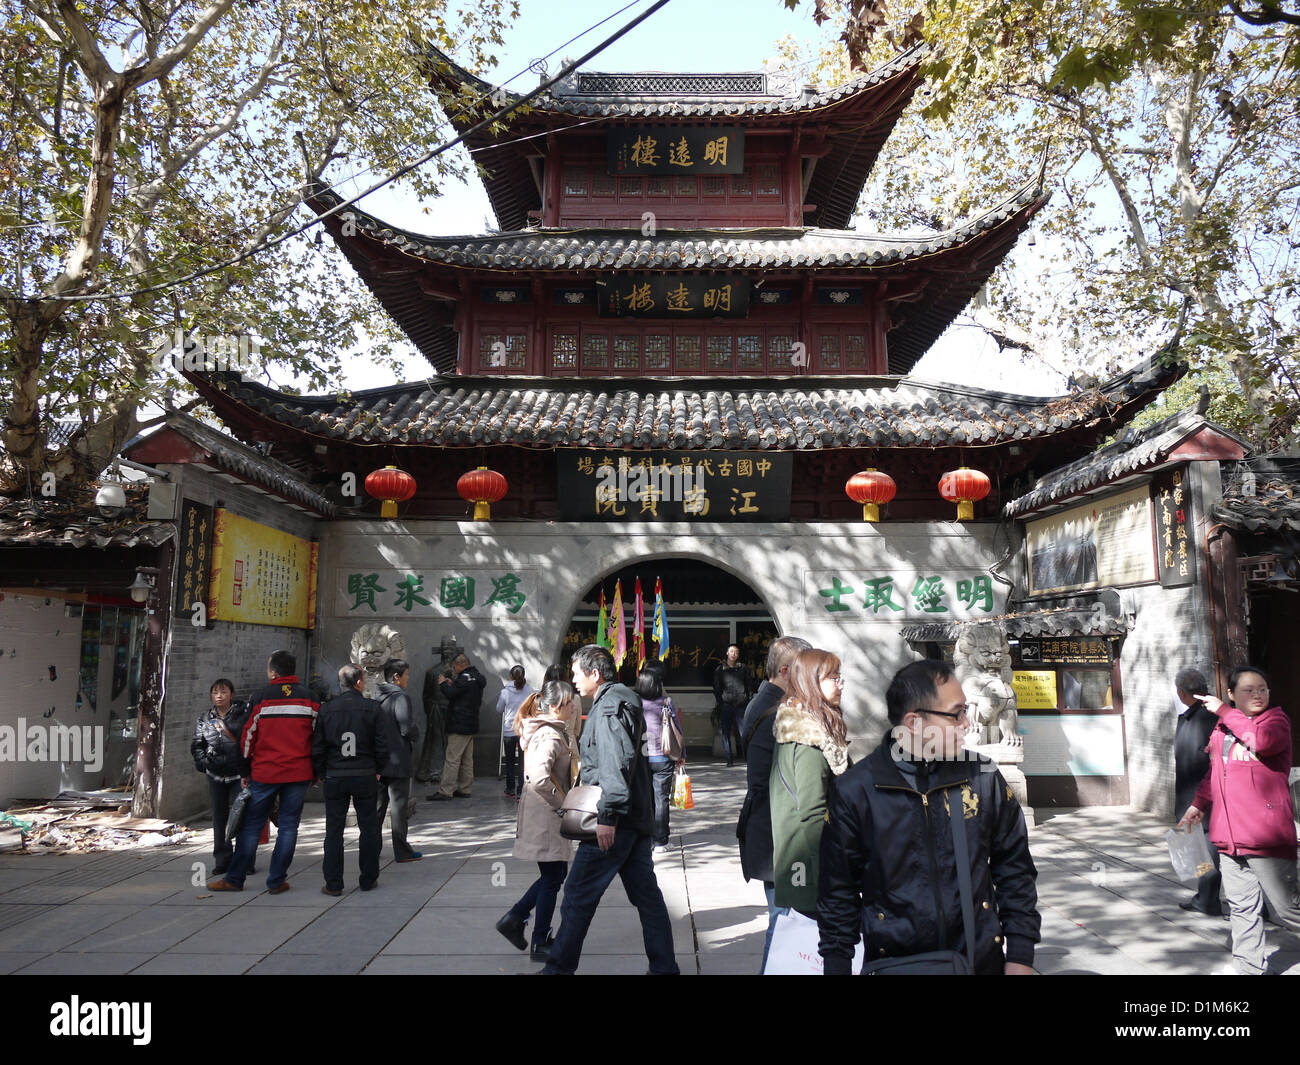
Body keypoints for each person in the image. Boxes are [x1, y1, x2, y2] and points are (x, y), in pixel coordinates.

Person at [818, 659, 1040, 975]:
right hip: (894, 965)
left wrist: (1020, 955)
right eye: (957, 713)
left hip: (979, 963)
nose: (968, 723)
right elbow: (837, 894)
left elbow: (1014, 868)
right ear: (914, 722)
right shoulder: (856, 790)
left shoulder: (982, 777)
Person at [541, 644, 679, 975]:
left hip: (615, 822)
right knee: (647, 898)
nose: (572, 679)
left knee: (576, 897)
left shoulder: (609, 707)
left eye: (576, 672)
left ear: (595, 673)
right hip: (633, 821)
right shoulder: (621, 699)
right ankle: (664, 968)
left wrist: (608, 817)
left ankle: (557, 970)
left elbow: (616, 764)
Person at [1181, 666, 1300, 975]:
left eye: (1262, 688)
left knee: (1289, 909)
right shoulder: (1222, 729)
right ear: (1233, 694)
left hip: (1265, 836)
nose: (1257, 694)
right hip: (1229, 837)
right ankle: (1249, 969)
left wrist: (1223, 710)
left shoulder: (1276, 722)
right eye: (1248, 690)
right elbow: (1214, 770)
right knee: (1242, 909)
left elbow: (1260, 741)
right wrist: (1199, 804)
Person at [208, 650, 320, 894]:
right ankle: (277, 880)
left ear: (273, 672)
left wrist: (245, 770)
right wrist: (316, 771)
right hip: (299, 773)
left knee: (252, 825)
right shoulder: (310, 698)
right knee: (289, 827)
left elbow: (247, 738)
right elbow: (318, 738)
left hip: (265, 773)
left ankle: (235, 879)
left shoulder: (261, 698)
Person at [736, 635, 810, 969]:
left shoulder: (765, 701)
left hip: (771, 829)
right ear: (784, 670)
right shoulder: (781, 711)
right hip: (780, 833)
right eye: (804, 669)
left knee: (786, 921)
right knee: (785, 924)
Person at [496, 680, 580, 962]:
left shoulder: (554, 731)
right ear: (556, 706)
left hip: (545, 813)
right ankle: (538, 938)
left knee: (553, 876)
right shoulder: (549, 735)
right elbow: (539, 777)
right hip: (546, 816)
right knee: (553, 877)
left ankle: (517, 920)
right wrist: (563, 804)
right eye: (569, 703)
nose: (573, 706)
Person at [769, 648, 850, 920]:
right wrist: (834, 872)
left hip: (804, 863)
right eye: (834, 677)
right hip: (808, 866)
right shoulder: (807, 739)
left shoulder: (803, 725)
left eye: (840, 677)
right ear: (812, 681)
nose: (841, 684)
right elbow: (813, 813)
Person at [313, 664, 389, 895]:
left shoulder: (327, 710)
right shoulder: (373, 708)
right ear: (358, 682)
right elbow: (382, 745)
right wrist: (379, 769)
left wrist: (320, 772)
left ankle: (334, 884)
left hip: (335, 776)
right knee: (368, 828)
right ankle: (368, 879)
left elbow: (317, 747)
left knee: (334, 831)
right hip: (364, 774)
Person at [1173, 666, 1222, 915]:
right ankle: (1206, 895)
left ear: (1181, 693)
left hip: (1202, 797)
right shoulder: (1201, 715)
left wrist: (1195, 801)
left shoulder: (1202, 718)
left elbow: (1203, 762)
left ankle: (1208, 897)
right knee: (1206, 849)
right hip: (1200, 794)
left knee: (1207, 850)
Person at [190, 678, 250, 877]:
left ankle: (245, 861)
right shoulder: (205, 719)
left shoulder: (242, 716)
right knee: (219, 819)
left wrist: (247, 770)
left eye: (223, 692)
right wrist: (205, 763)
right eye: (215, 692)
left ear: (231, 694)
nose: (219, 696)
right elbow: (197, 745)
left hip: (238, 776)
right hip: (215, 775)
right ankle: (222, 860)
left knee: (241, 818)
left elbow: (249, 742)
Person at [376, 658, 422, 863]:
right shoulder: (400, 698)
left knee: (376, 810)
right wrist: (416, 733)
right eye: (406, 675)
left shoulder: (376, 697)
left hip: (378, 762)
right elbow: (406, 727)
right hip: (398, 761)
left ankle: (371, 848)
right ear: (396, 677)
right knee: (398, 809)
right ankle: (402, 851)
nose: (407, 679)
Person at [636, 661, 684, 853]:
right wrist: (681, 754)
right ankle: (661, 841)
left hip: (642, 756)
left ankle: (645, 838)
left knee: (645, 798)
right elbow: (676, 729)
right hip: (663, 757)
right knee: (661, 799)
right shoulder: (666, 702)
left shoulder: (636, 702)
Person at [429, 653, 486, 800]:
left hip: (459, 724)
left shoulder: (464, 678)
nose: (454, 669)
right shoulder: (475, 676)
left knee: (452, 759)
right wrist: (452, 683)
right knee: (467, 759)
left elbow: (451, 693)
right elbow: (460, 691)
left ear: (461, 664)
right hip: (471, 724)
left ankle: (445, 791)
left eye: (454, 666)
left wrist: (442, 683)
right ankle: (465, 788)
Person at [497, 664, 534, 799]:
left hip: (508, 730)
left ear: (511, 676)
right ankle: (521, 789)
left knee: (510, 760)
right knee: (523, 761)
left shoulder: (505, 692)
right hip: (524, 730)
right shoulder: (529, 690)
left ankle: (510, 788)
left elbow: (499, 709)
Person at [713, 643, 752, 766]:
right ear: (727, 653)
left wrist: (747, 698)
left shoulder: (743, 668)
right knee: (726, 732)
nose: (734, 654)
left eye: (736, 652)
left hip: (741, 703)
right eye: (731, 652)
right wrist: (721, 701)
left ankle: (747, 758)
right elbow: (716, 687)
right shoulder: (720, 670)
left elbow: (749, 684)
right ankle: (729, 759)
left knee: (744, 732)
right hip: (727, 704)